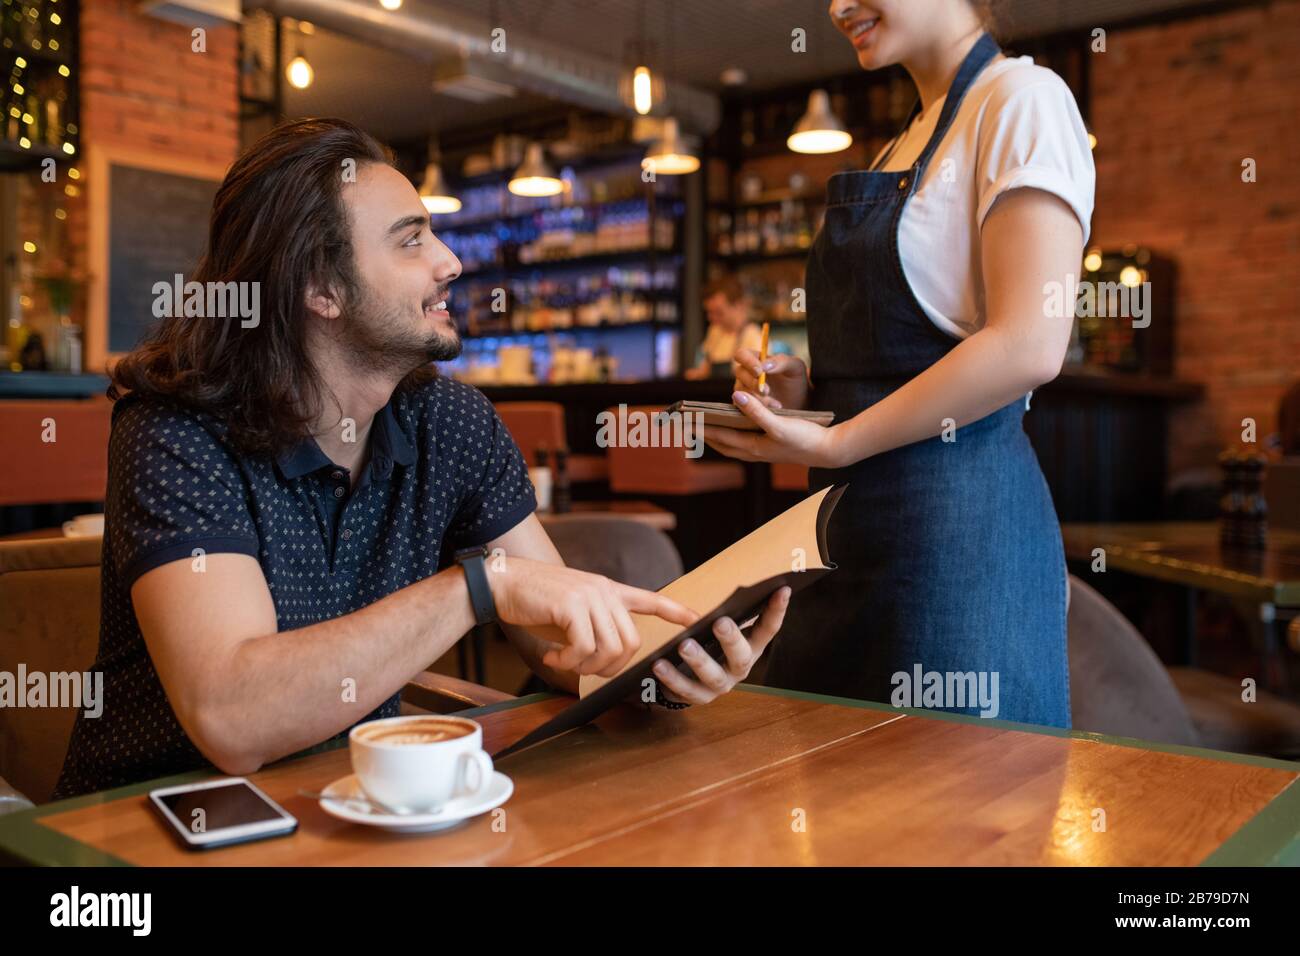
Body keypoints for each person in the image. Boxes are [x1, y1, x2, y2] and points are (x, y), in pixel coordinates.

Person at [53, 119, 790, 799]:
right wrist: (476, 588)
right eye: (411, 241)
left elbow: (563, 648)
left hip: (353, 809)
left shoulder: (448, 420)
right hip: (147, 825)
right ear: (320, 286)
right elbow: (231, 720)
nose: (451, 261)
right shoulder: (176, 429)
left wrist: (663, 669)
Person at [708, 0, 1094, 727]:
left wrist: (837, 440)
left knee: (959, 821)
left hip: (958, 540)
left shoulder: (1022, 100)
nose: (836, 7)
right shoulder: (904, 144)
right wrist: (805, 393)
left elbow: (1029, 343)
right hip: (843, 534)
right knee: (844, 816)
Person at [683, 274, 764, 380]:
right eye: (709, 312)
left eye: (718, 312)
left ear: (738, 305)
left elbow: (756, 377)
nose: (711, 318)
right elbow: (705, 368)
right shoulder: (715, 331)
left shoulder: (753, 335)